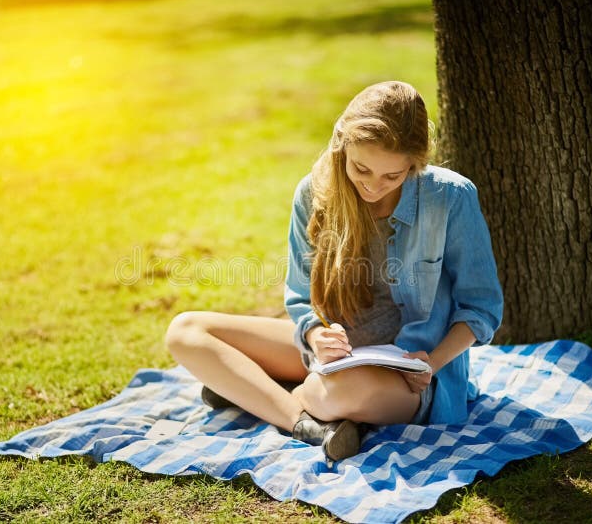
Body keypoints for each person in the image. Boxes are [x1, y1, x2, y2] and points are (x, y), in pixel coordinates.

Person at [166, 81, 503, 462]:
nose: (374, 186)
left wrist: (433, 362)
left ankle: (257, 394)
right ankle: (304, 421)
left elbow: (481, 308)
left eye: (394, 176)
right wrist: (314, 335)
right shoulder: (313, 193)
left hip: (407, 375)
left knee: (345, 392)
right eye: (362, 168)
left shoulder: (450, 197)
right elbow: (298, 294)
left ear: (415, 164)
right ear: (342, 145)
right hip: (335, 357)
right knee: (187, 331)